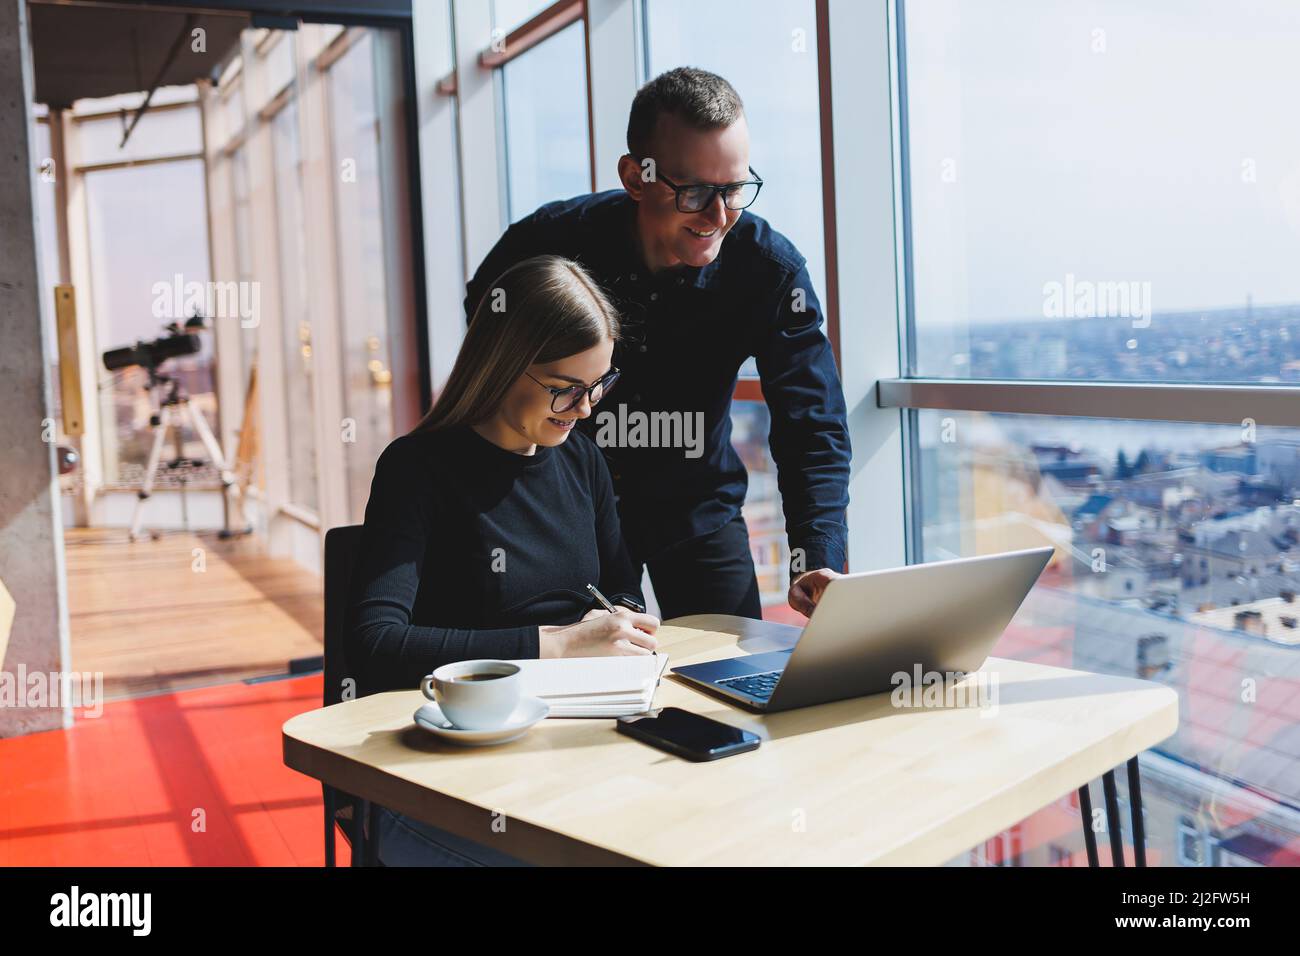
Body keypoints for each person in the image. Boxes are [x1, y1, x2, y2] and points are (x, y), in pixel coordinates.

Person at [466, 67, 851, 621]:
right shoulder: (545, 244)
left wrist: (818, 555)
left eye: (734, 189)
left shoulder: (769, 271)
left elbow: (811, 422)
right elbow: (487, 350)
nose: (719, 217)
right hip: (563, 512)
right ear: (635, 176)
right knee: (573, 693)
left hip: (696, 510)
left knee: (730, 687)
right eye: (694, 191)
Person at [346, 255, 660, 865]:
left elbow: (622, 590)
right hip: (451, 770)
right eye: (567, 389)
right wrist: (559, 645)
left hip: (575, 743)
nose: (587, 408)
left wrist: (621, 625)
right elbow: (375, 641)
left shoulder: (582, 462)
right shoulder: (418, 470)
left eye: (599, 385)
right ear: (503, 364)